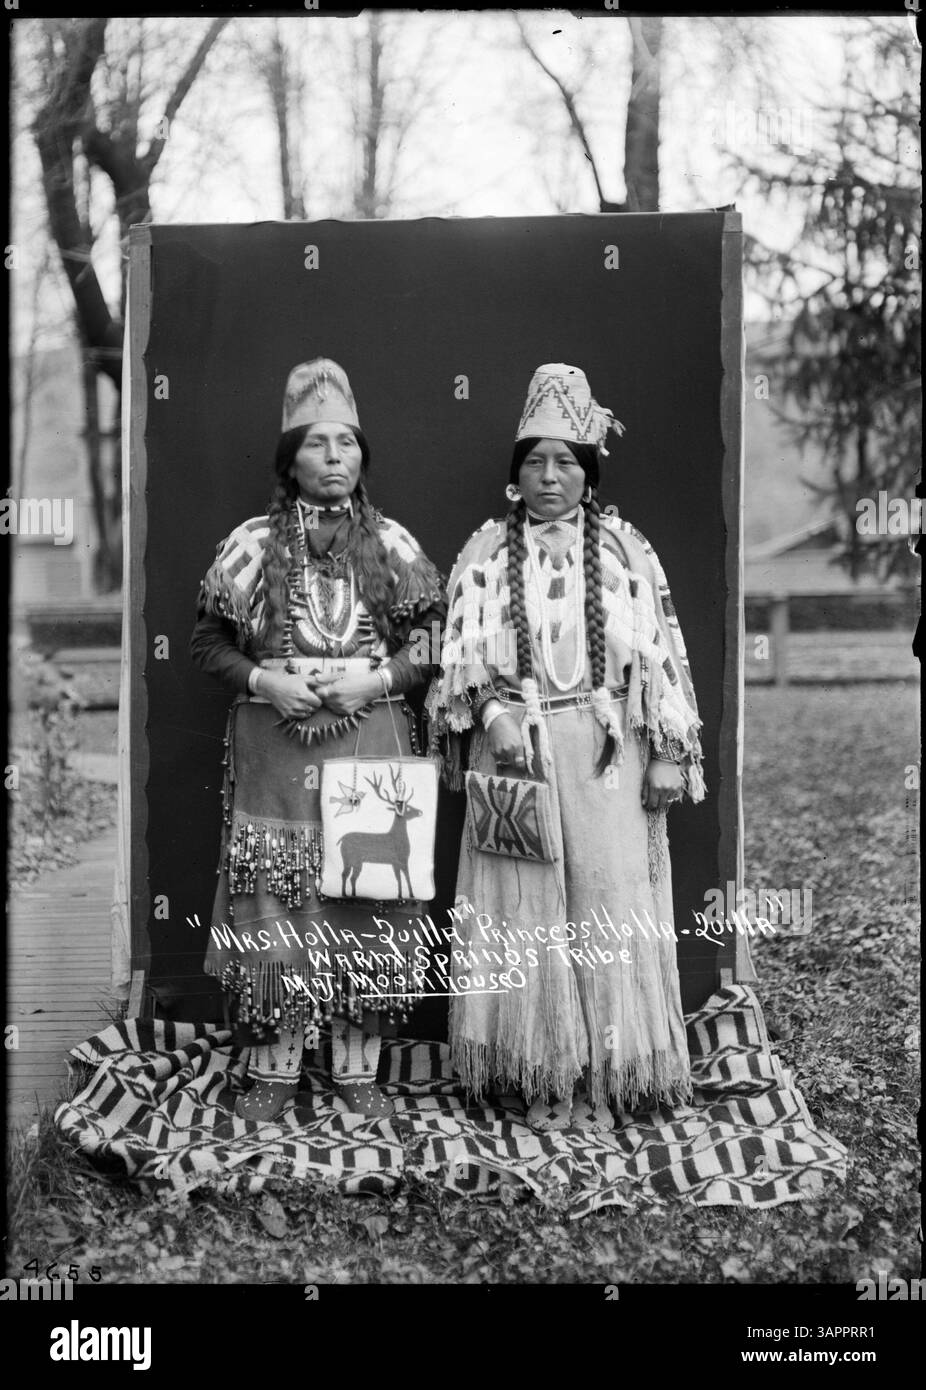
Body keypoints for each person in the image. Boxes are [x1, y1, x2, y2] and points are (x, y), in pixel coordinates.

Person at [426, 363, 706, 1133]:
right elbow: (460, 655)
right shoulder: (486, 551)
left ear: (589, 472)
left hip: (603, 751)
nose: (550, 477)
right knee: (522, 916)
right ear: (515, 474)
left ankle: (605, 1078)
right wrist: (491, 716)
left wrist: (668, 751)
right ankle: (534, 1071)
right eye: (535, 461)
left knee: (606, 905)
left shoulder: (624, 550)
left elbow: (661, 656)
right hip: (513, 752)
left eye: (567, 462)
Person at [191, 359, 446, 1122]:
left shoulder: (394, 545)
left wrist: (376, 681)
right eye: (317, 443)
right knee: (278, 900)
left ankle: (357, 1065)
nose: (335, 457)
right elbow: (208, 645)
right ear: (289, 460)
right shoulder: (251, 545)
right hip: (277, 753)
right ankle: (274, 1069)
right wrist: (269, 682)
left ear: (362, 456)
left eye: (347, 443)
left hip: (370, 747)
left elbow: (434, 642)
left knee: (365, 900)